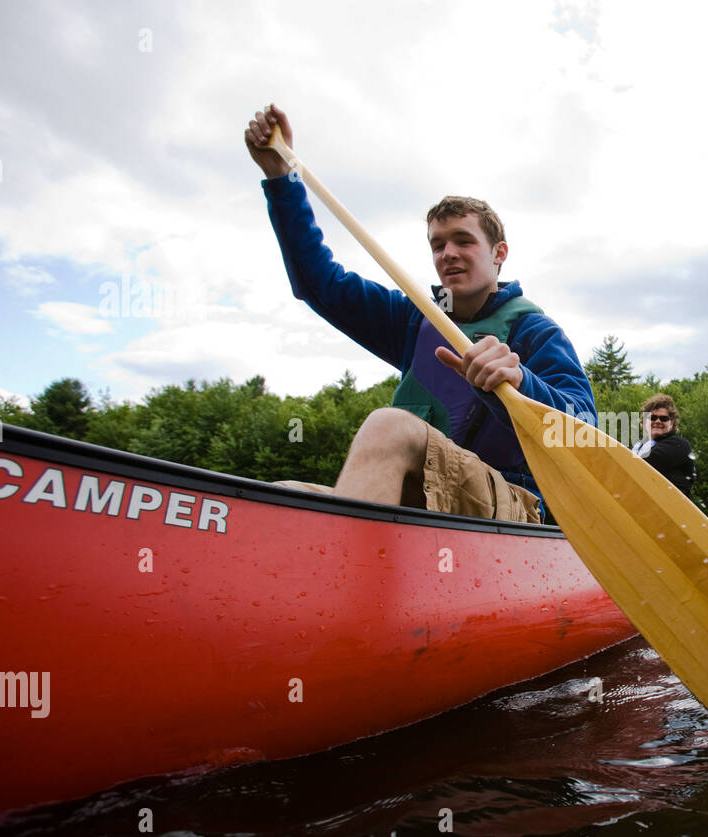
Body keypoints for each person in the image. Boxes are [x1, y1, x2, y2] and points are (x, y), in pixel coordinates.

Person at [244, 104, 596, 524]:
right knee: (278, 500)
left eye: (463, 240)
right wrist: (279, 178)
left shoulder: (535, 332)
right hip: (426, 493)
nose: (448, 253)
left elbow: (584, 429)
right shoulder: (413, 320)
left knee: (390, 426)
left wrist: (521, 382)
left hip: (515, 503)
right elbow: (319, 283)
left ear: (499, 254)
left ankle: (346, 576)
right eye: (437, 244)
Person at [631, 394, 695, 497]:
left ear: (672, 423)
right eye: (653, 417)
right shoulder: (639, 446)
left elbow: (644, 464)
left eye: (664, 419)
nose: (658, 421)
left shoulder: (679, 444)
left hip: (674, 509)